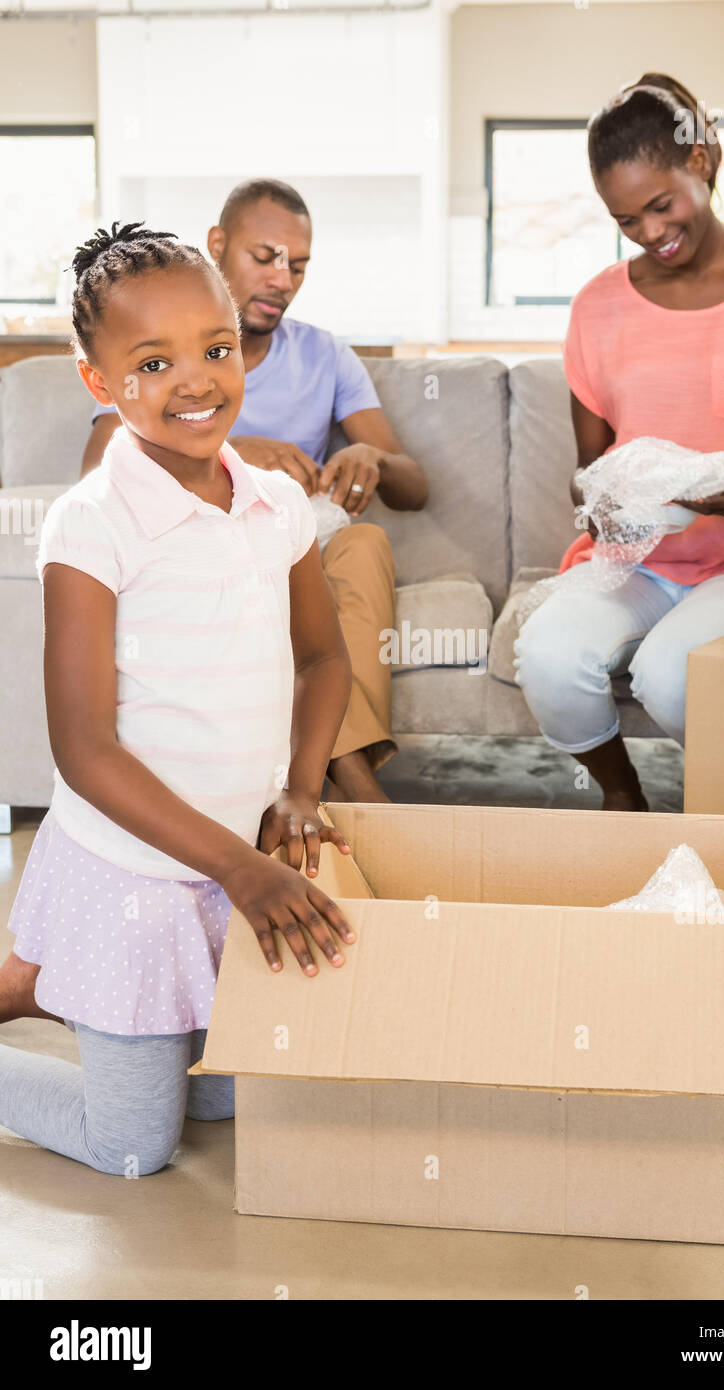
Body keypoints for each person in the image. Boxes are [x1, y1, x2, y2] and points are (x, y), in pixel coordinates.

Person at [0, 222, 359, 1175]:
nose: (197, 382)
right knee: (135, 1147)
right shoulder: (90, 526)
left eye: (215, 349)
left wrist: (303, 792)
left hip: (234, 862)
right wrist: (242, 874)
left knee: (235, 1099)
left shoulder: (278, 505)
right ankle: (56, 981)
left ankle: (52, 988)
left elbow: (324, 661)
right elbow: (85, 752)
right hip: (132, 876)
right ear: (99, 384)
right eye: (152, 363)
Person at [513, 73, 724, 810]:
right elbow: (587, 467)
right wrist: (602, 500)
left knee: (671, 677)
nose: (649, 233)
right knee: (546, 654)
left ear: (699, 161)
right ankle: (623, 795)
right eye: (626, 220)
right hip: (638, 558)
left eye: (659, 205)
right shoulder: (599, 305)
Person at [81, 179, 429, 804]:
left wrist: (369, 454)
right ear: (218, 245)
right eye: (263, 257)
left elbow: (416, 488)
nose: (282, 278)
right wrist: (237, 454)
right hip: (210, 551)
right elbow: (96, 474)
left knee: (367, 542)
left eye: (297, 265)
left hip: (303, 548)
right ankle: (351, 778)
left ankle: (324, 772)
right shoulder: (158, 352)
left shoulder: (326, 356)